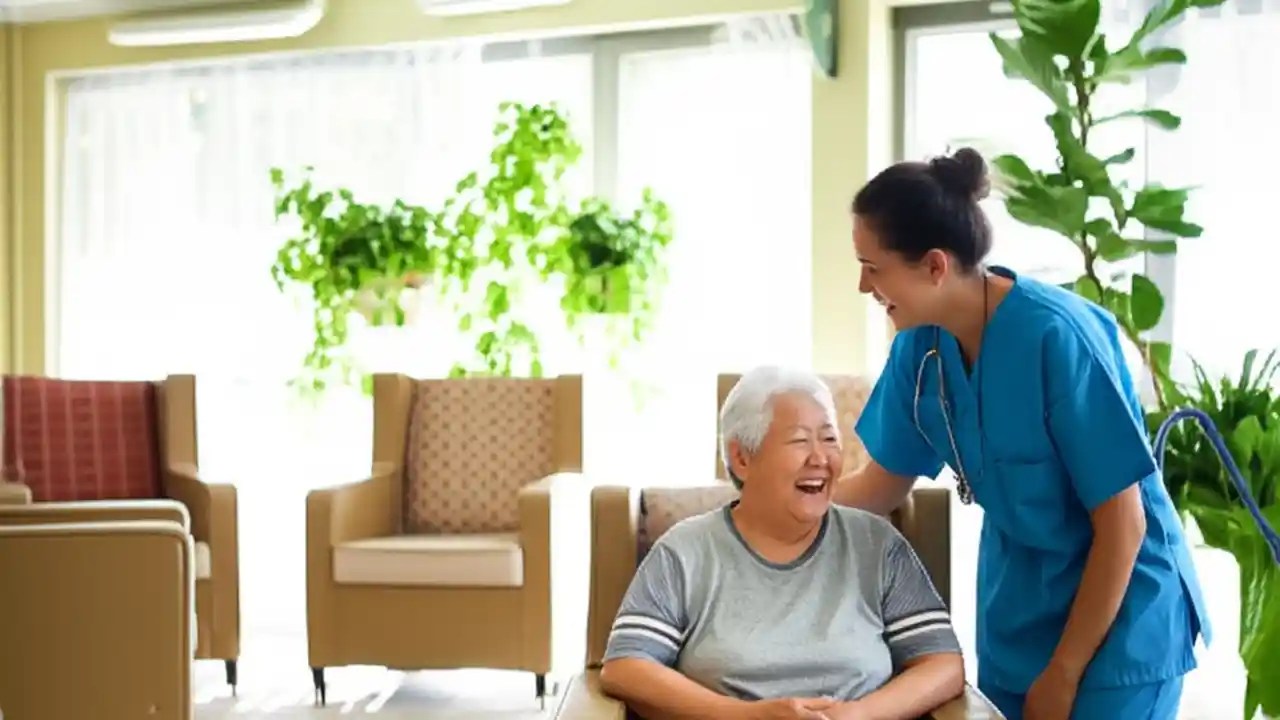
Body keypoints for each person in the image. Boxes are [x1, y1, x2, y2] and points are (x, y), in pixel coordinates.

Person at [836, 147, 1210, 720]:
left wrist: (1065, 671)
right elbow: (882, 485)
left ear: (935, 266)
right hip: (1020, 619)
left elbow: (1123, 522)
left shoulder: (1058, 338)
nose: (863, 286)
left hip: (1120, 625)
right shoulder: (919, 345)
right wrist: (765, 514)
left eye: (873, 267)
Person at [599, 366, 966, 720]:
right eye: (800, 441)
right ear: (742, 458)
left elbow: (941, 663)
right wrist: (747, 717)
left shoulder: (877, 546)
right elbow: (626, 666)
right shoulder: (685, 552)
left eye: (829, 439)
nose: (820, 458)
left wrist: (856, 715)